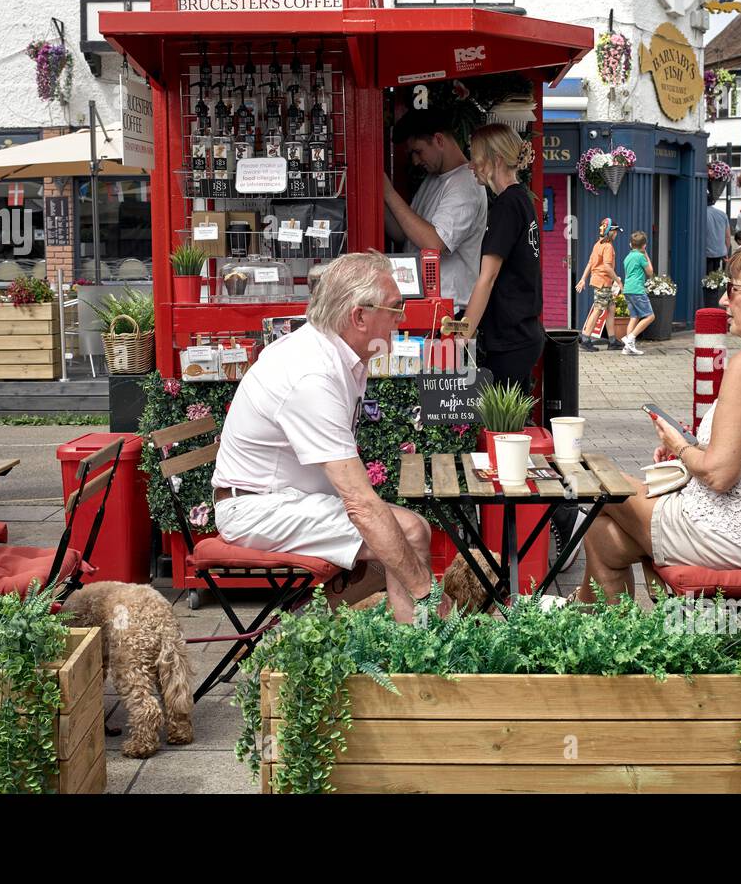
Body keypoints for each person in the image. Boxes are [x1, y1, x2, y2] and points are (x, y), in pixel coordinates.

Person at [572, 240, 741, 603]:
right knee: (603, 535)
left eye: (734, 289)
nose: (723, 301)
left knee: (600, 484)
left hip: (731, 537)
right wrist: (689, 451)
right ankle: (604, 637)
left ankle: (595, 640)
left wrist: (680, 446)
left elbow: (718, 474)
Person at [211, 251, 450, 623]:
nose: (401, 321)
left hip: (278, 499)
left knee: (399, 539)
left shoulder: (333, 353)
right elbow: (360, 503)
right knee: (409, 532)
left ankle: (307, 627)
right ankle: (418, 649)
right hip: (257, 509)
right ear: (358, 316)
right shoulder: (313, 375)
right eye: (394, 309)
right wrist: (427, 592)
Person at [459, 123, 544, 396]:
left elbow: (488, 277)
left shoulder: (506, 206)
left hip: (510, 339)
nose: (471, 165)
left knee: (504, 430)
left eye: (476, 158)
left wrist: (464, 334)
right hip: (521, 333)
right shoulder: (521, 199)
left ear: (495, 160)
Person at [383, 108, 488, 314]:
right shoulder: (434, 179)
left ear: (439, 140)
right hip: (424, 304)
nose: (415, 161)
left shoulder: (465, 184)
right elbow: (404, 234)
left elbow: (434, 243)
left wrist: (389, 193)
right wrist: (378, 195)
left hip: (450, 310)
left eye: (418, 151)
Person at [576, 219, 625, 351]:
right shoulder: (608, 246)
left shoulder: (598, 244)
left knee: (611, 308)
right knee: (598, 309)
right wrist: (619, 281)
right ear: (609, 232)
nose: (616, 234)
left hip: (599, 281)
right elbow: (608, 268)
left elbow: (590, 263)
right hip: (603, 281)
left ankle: (612, 340)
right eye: (615, 231)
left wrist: (583, 279)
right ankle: (586, 339)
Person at [621, 232, 655, 356]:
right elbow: (650, 272)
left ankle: (627, 348)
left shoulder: (627, 257)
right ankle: (630, 339)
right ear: (644, 245)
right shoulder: (640, 256)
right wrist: (645, 254)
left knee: (634, 317)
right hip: (637, 290)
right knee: (650, 316)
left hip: (628, 290)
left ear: (631, 244)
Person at [705, 195, 730, 275]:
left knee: (706, 275)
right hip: (719, 251)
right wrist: (726, 251)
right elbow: (727, 236)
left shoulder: (701, 214)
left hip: (706, 252)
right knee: (715, 274)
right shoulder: (722, 214)